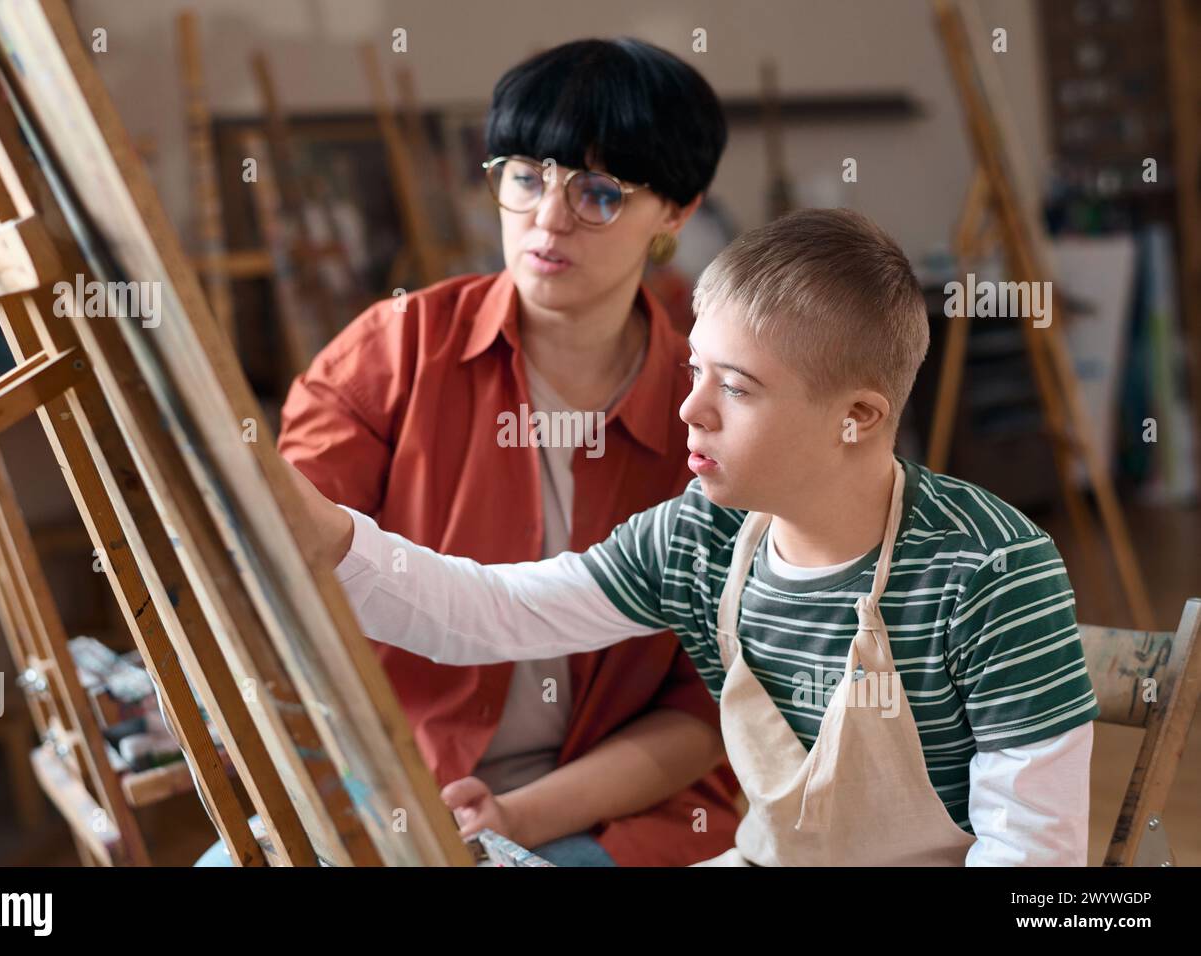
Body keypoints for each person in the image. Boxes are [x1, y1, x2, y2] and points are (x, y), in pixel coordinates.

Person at [293, 208, 1100, 866]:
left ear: (858, 416)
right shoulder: (701, 537)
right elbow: (495, 612)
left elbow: (1032, 858)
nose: (690, 410)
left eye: (737, 388)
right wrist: (330, 537)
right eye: (695, 371)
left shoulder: (991, 569)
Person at [258, 38, 743, 867]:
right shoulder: (391, 353)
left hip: (605, 807)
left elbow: (704, 710)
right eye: (523, 176)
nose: (547, 221)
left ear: (677, 211)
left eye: (598, 193)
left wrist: (515, 818)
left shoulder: (710, 417)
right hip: (393, 784)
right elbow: (281, 565)